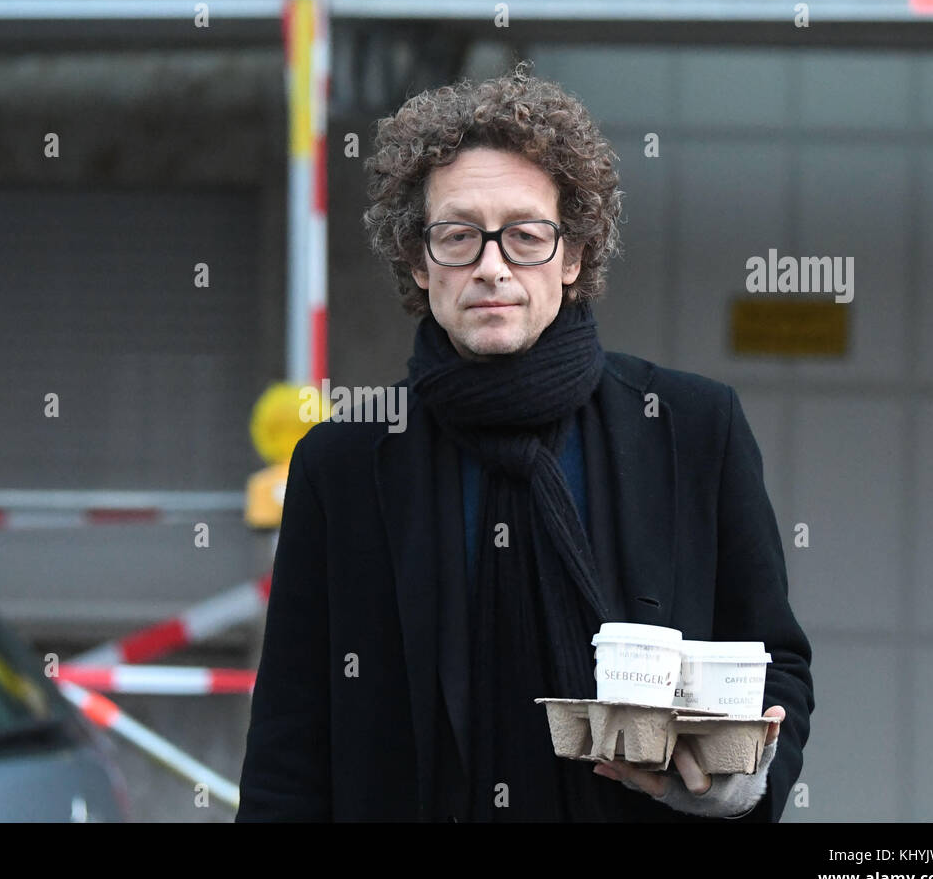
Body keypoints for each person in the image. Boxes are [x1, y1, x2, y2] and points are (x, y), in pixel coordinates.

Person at [237, 61, 813, 822]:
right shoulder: (343, 461)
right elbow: (290, 736)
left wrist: (736, 781)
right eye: (458, 236)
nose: (491, 267)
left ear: (573, 257)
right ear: (418, 259)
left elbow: (773, 666)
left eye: (525, 236)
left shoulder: (693, 429)